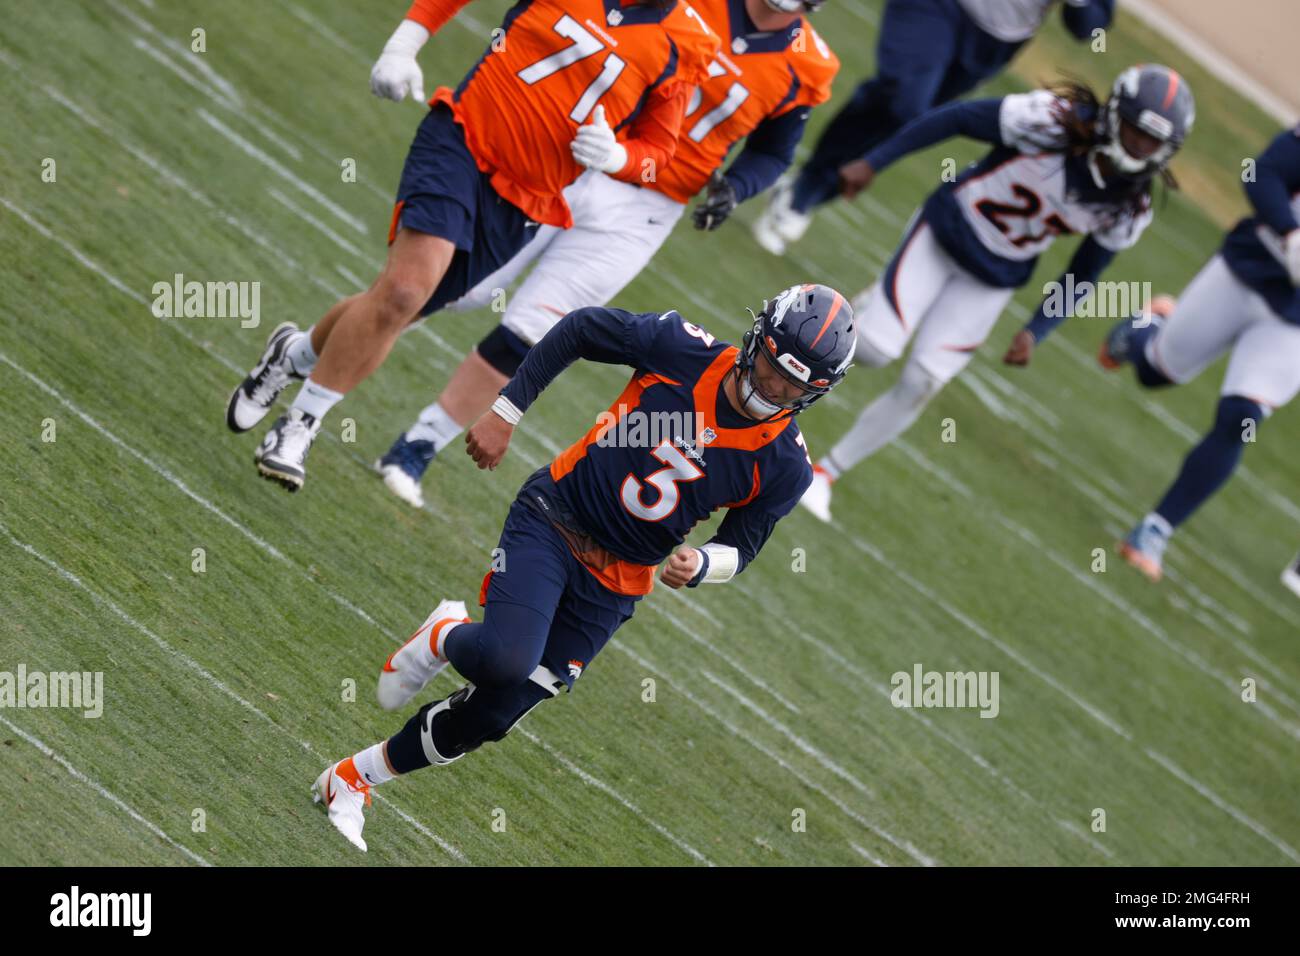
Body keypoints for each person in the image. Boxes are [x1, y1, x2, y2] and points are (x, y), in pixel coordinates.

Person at [311, 285, 856, 850]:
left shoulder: (787, 464)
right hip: (556, 518)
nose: (774, 388)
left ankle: (351, 780)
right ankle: (443, 636)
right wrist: (506, 410)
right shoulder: (679, 347)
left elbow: (744, 546)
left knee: (493, 717)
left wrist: (701, 565)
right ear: (755, 341)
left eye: (795, 385)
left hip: (619, 581)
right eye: (772, 369)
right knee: (505, 658)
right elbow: (581, 328)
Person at [225, 0, 718, 491]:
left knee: (399, 307)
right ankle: (298, 427)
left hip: (528, 198)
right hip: (462, 138)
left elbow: (659, 153)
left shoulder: (684, 41)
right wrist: (404, 45)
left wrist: (619, 156)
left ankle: (293, 356)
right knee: (402, 292)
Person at [373, 0, 840, 508]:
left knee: (529, 329)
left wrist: (738, 186)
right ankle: (322, 356)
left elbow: (774, 151)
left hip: (647, 208)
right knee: (454, 288)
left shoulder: (808, 64)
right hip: (581, 158)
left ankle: (416, 445)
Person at [798, 65, 1194, 523]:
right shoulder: (1051, 120)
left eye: (1154, 142)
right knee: (870, 349)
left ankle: (826, 473)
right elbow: (959, 118)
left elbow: (1085, 270)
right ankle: (853, 320)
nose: (1142, 147)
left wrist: (1038, 329)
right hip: (945, 231)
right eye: (1137, 132)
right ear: (1113, 114)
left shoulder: (1132, 203)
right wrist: (875, 161)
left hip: (993, 277)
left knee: (923, 381)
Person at [1098, 125, 1300, 581]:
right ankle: (1145, 331)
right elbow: (1260, 173)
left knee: (1242, 417)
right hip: (1245, 273)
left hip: (1293, 323)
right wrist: (1291, 235)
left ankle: (1154, 529)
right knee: (1155, 374)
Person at [751, 0, 1114, 254]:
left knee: (911, 116)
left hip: (995, 39)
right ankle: (805, 190)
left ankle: (810, 189)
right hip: (936, 6)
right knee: (904, 99)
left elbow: (1090, 27)